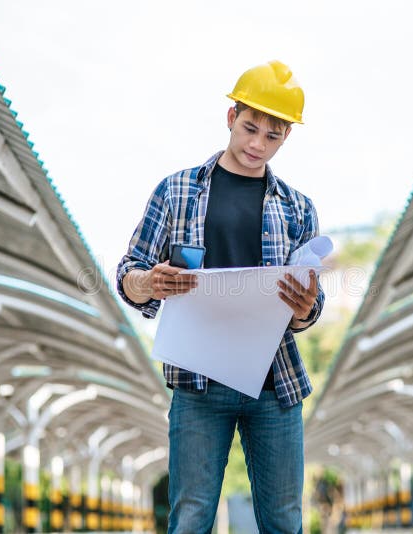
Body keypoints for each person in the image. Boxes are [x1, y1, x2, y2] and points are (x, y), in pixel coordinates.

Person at [116, 60, 324, 533]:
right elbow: (129, 272)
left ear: (286, 137)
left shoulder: (298, 208)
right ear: (231, 117)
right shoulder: (177, 191)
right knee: (189, 518)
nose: (257, 145)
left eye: (272, 137)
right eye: (250, 128)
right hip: (198, 383)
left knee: (285, 522)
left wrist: (304, 309)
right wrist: (149, 283)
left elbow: (313, 305)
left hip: (276, 383)